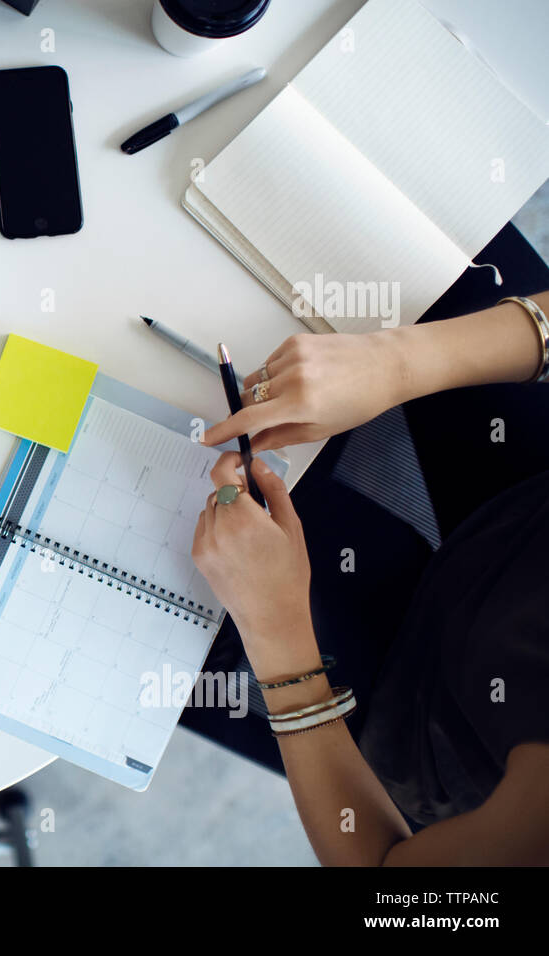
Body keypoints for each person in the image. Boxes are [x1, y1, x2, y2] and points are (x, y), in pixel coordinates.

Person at [191, 290, 549, 865]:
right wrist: (399, 361)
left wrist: (279, 636)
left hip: (443, 714)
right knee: (415, 277)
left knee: (180, 617)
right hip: (529, 505)